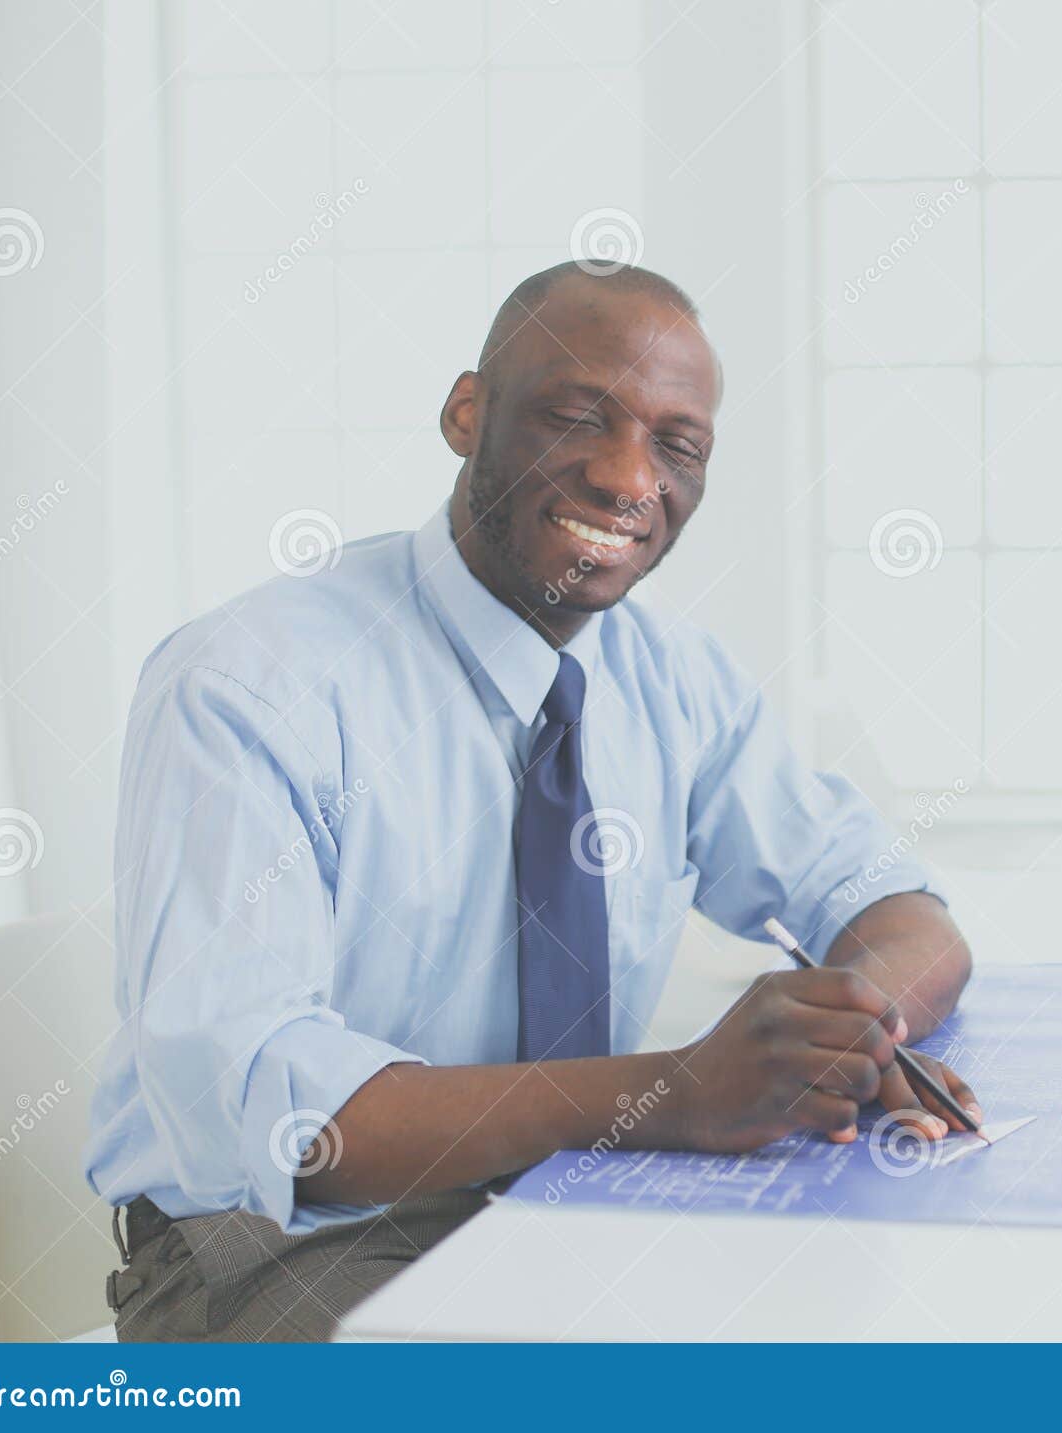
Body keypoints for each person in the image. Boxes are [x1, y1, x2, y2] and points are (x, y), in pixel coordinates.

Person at [86, 261, 978, 1341]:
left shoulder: (673, 680)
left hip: (573, 1203)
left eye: (676, 445)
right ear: (468, 413)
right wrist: (677, 1093)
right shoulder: (247, 684)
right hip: (287, 1246)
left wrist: (853, 1031)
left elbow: (891, 905)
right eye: (576, 417)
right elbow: (281, 1116)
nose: (625, 476)